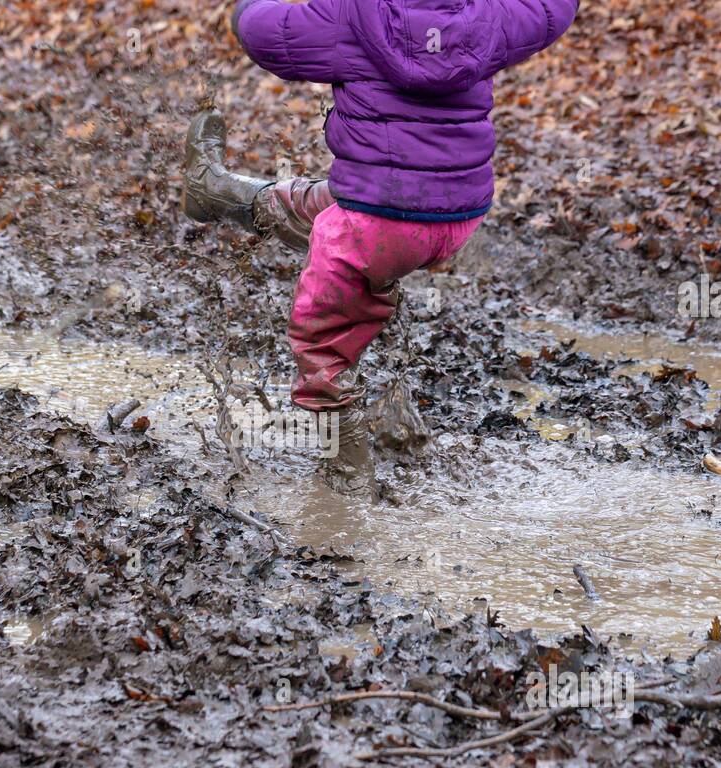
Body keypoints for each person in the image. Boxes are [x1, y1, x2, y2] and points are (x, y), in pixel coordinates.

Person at [182, 0, 580, 493]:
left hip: (379, 219)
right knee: (327, 214)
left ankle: (346, 478)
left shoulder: (349, 15)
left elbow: (264, 33)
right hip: (455, 217)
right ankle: (213, 189)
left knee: (320, 342)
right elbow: (550, 11)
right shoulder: (490, 15)